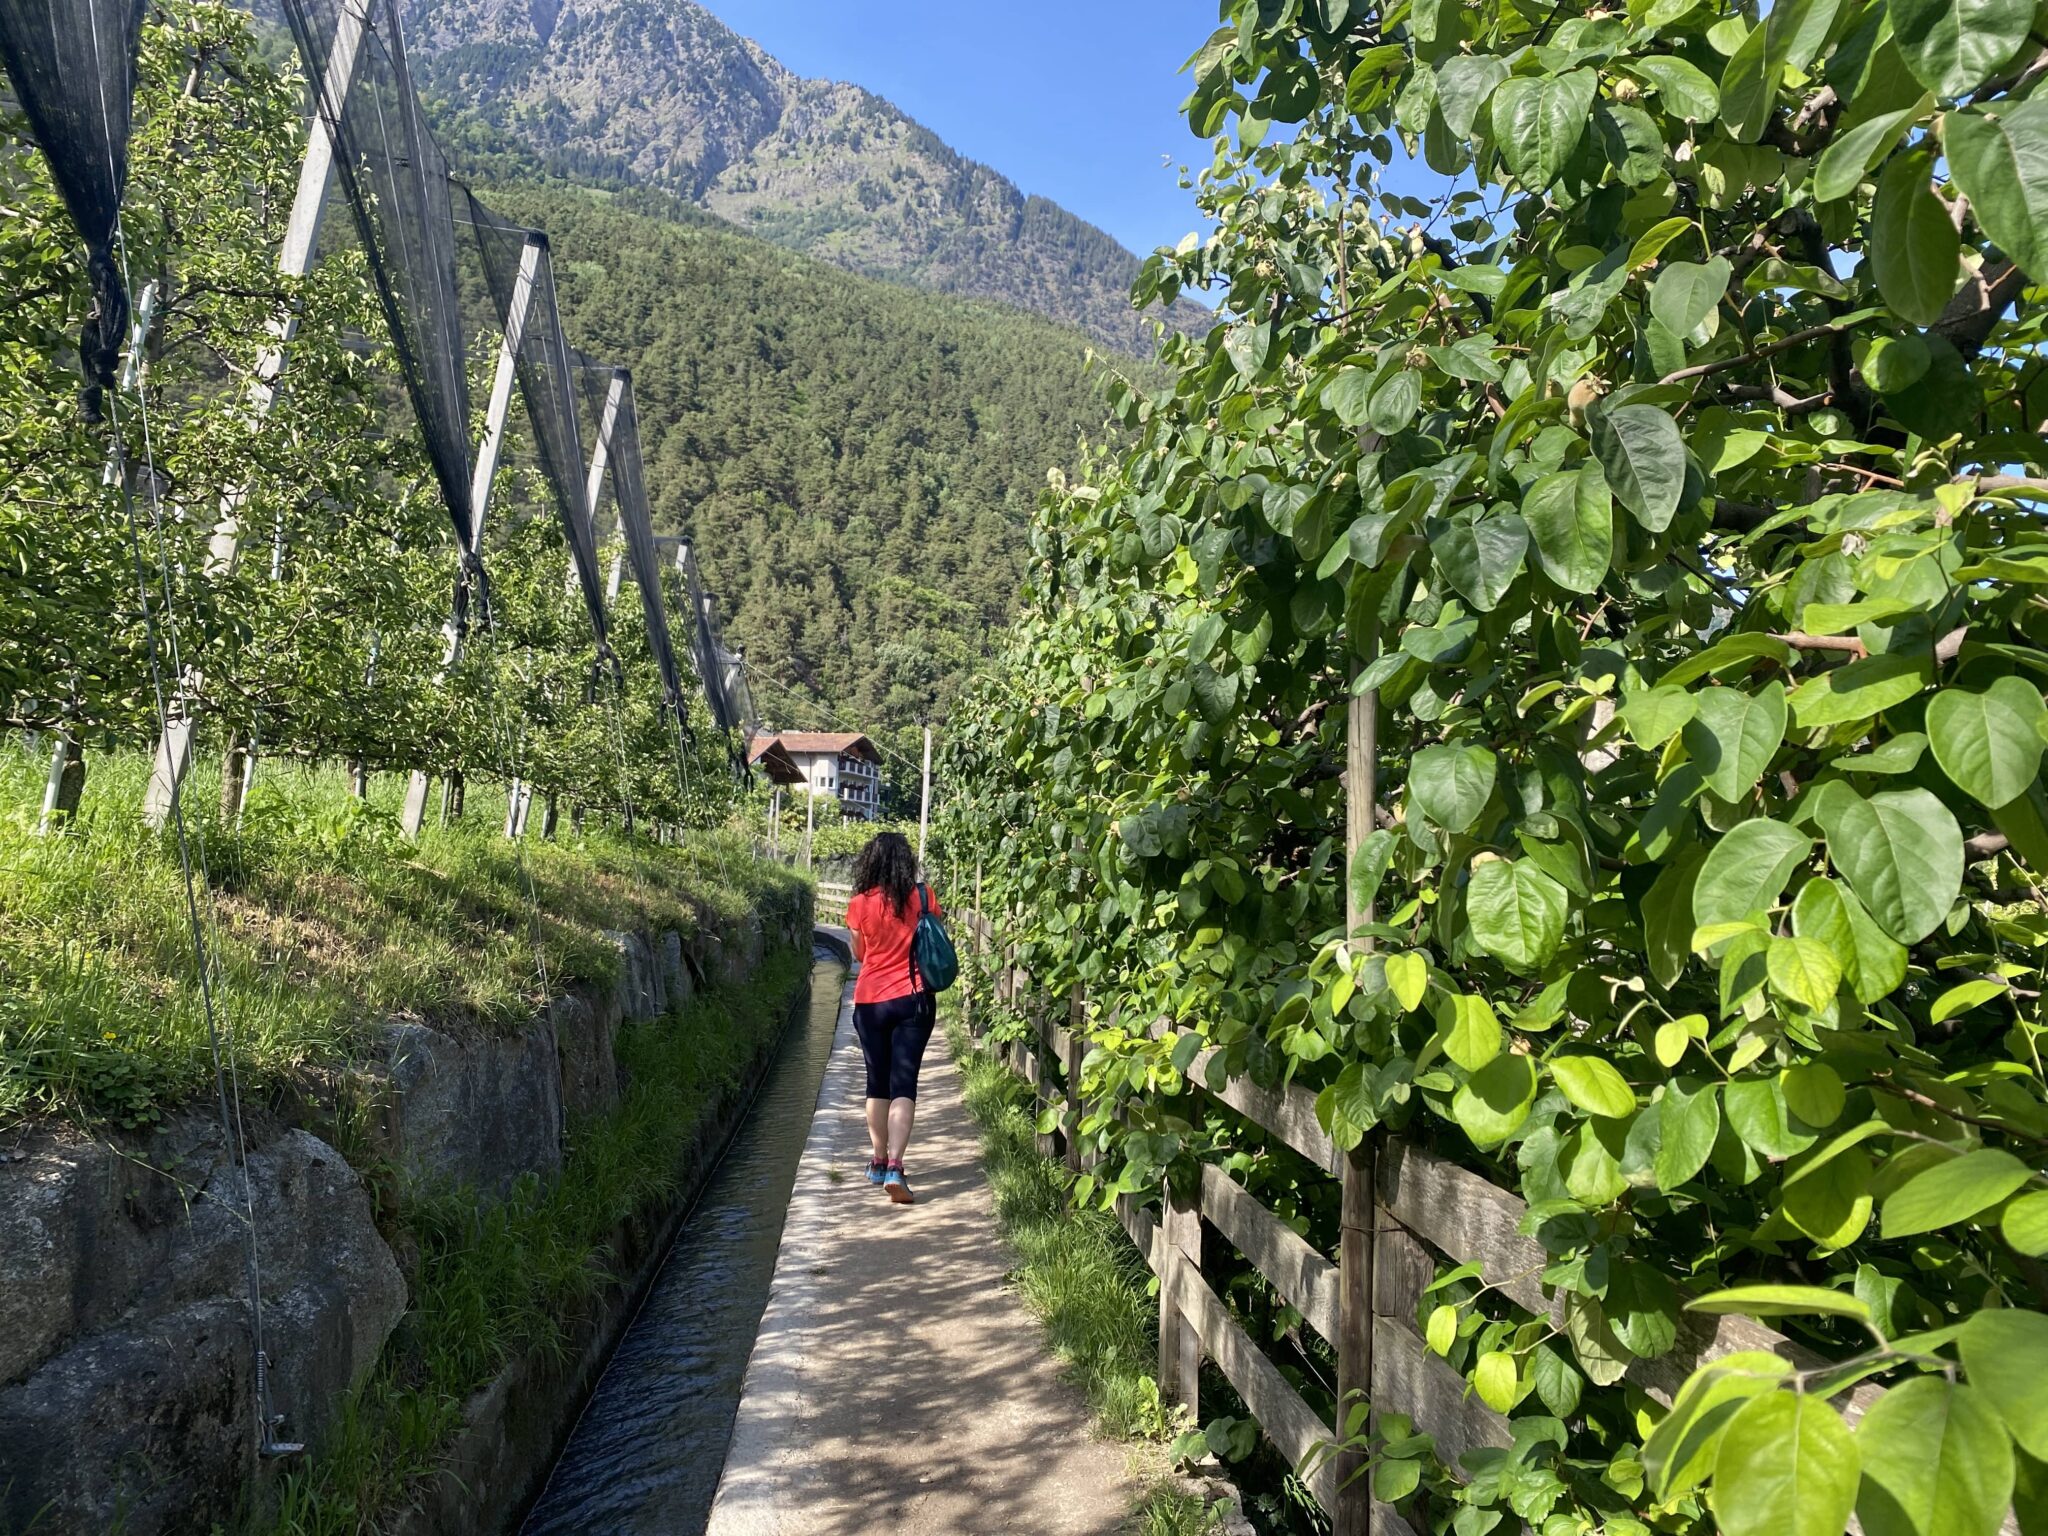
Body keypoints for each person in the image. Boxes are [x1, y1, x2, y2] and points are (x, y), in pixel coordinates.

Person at [842, 829, 941, 1203]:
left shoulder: (859, 904)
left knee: (876, 1083)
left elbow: (859, 955)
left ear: (870, 861)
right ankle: (897, 1166)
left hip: (870, 1003)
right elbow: (934, 941)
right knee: (905, 1084)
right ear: (906, 862)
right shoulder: (923, 897)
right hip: (914, 1000)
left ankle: (878, 1159)